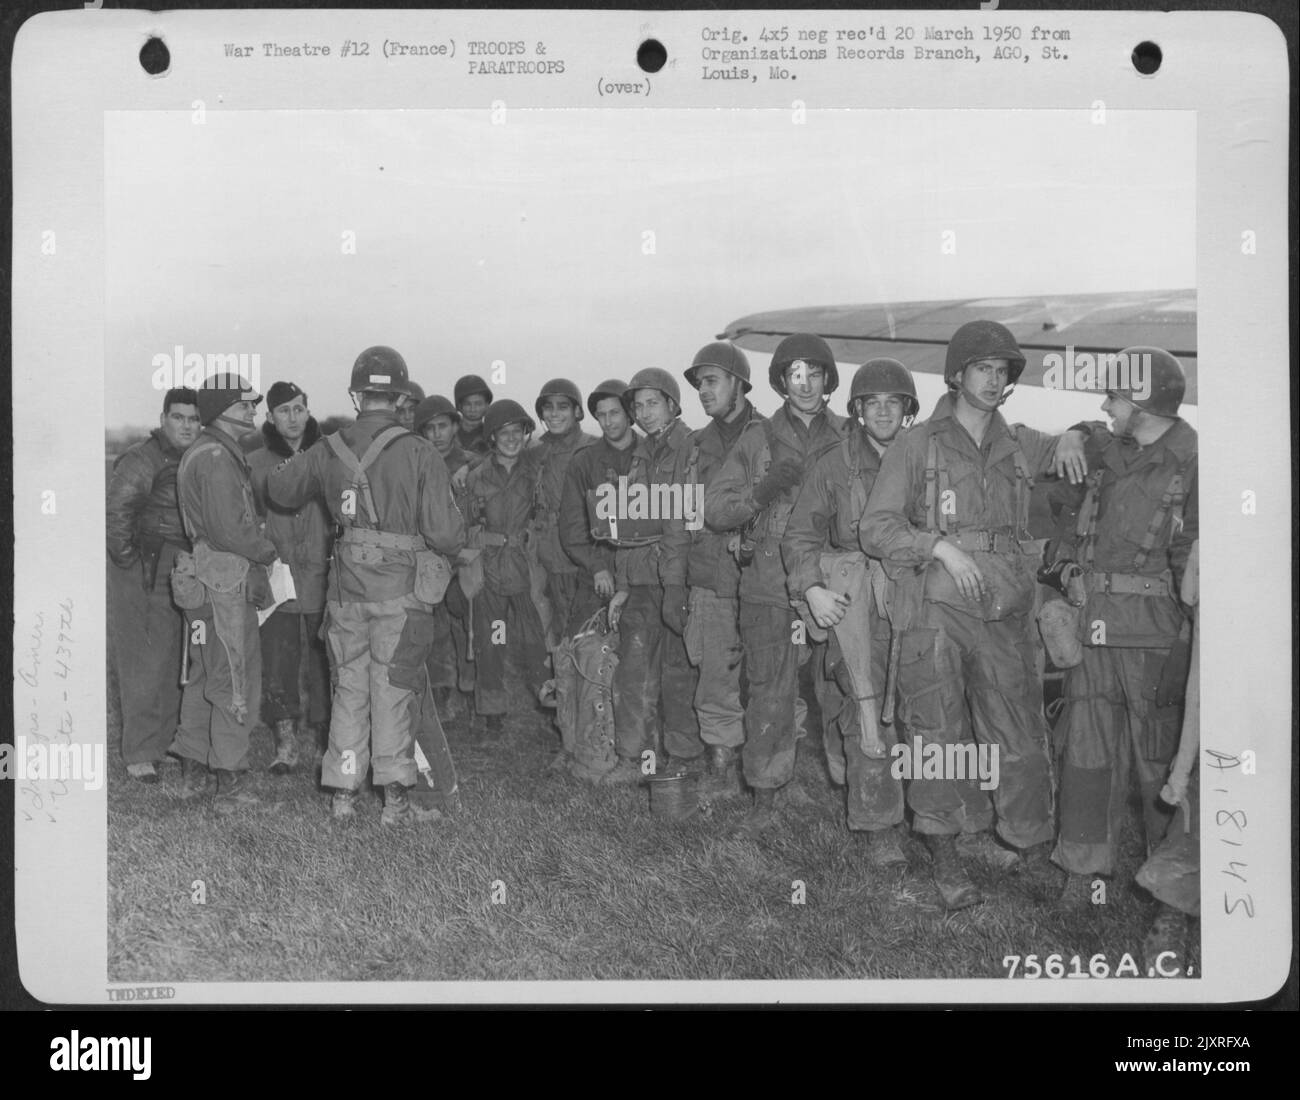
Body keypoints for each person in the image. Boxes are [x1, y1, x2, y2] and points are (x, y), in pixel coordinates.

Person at [858, 320, 1088, 908]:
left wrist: (1079, 433)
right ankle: (944, 856)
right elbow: (876, 527)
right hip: (936, 610)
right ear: (957, 375)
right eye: (983, 368)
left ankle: (1029, 845)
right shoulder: (918, 445)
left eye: (1003, 371)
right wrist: (938, 545)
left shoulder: (1023, 443)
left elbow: (1101, 440)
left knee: (1019, 731)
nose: (994, 379)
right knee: (936, 733)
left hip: (1006, 607)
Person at [268, 347, 465, 823]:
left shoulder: (327, 448)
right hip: (401, 595)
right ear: (400, 396)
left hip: (344, 595)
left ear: (356, 395)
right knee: (394, 691)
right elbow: (446, 533)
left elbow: (280, 489)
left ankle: (342, 796)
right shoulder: (419, 451)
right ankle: (396, 802)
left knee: (349, 692)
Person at [1047, 348, 1198, 906]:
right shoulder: (1113, 446)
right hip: (1096, 628)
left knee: (1159, 762)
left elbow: (1197, 562)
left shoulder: (1194, 460)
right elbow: (1087, 434)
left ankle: (1172, 886)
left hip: (1157, 636)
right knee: (1085, 751)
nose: (1104, 406)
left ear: (1138, 403)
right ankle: (1083, 870)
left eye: (1113, 397)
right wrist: (1071, 430)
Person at [704, 334, 850, 834]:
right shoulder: (757, 438)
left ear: (828, 380)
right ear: (782, 382)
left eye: (814, 372)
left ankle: (855, 790)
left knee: (844, 686)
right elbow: (716, 509)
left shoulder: (849, 435)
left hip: (833, 580)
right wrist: (761, 492)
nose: (805, 382)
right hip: (768, 582)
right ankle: (766, 795)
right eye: (794, 373)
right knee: (770, 690)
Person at [782, 360, 918, 865]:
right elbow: (799, 537)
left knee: (926, 706)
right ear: (857, 410)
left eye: (894, 402)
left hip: (911, 595)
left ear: (907, 410)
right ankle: (879, 826)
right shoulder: (834, 465)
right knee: (863, 700)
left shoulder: (923, 456)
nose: (883, 412)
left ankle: (938, 821)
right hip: (853, 599)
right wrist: (812, 588)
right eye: (872, 403)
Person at [660, 342, 763, 801]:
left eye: (712, 380)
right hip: (708, 576)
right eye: (699, 383)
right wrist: (674, 583)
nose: (703, 391)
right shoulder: (696, 447)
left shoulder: (771, 437)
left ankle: (772, 773)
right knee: (715, 678)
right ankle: (723, 768)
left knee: (772, 677)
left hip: (764, 578)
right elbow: (680, 518)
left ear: (739, 384)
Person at [171, 375, 279, 810]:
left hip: (203, 576)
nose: (254, 409)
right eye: (245, 403)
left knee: (203, 676)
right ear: (222, 410)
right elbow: (229, 529)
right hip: (223, 580)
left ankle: (192, 770)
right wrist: (268, 549)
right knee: (234, 678)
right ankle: (230, 786)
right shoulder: (217, 457)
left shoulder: (204, 451)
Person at [593, 368, 703, 783]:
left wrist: (676, 585)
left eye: (652, 403)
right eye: (637, 406)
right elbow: (628, 529)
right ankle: (633, 759)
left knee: (679, 675)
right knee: (632, 673)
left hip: (680, 579)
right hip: (640, 581)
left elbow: (686, 518)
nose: (644, 412)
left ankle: (684, 758)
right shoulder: (640, 455)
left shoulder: (690, 448)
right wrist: (621, 586)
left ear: (673, 405)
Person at [106, 387, 199, 782]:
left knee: (172, 657)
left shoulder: (193, 456)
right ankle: (140, 752)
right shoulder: (144, 457)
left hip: (180, 562)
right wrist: (131, 560)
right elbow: (117, 512)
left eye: (194, 418)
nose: (187, 425)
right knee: (142, 658)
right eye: (178, 417)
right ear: (163, 419)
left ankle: (163, 743)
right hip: (147, 562)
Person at [247, 381, 332, 774]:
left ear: (308, 409)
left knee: (325, 656)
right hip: (277, 574)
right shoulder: (255, 462)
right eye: (284, 411)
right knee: (278, 658)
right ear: (270, 417)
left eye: (299, 408)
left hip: (322, 571)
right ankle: (286, 741)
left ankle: (327, 736)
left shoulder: (328, 455)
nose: (293, 418)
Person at [557, 378, 636, 775]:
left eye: (615, 413)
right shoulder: (585, 462)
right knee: (581, 654)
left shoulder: (651, 454)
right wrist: (597, 566)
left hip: (644, 571)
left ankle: (633, 748)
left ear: (630, 413)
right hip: (597, 572)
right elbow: (571, 530)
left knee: (637, 662)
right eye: (600, 415)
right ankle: (583, 747)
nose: (607, 422)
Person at [461, 399, 553, 737]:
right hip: (489, 571)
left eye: (518, 432)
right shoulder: (475, 478)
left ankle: (552, 704)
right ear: (492, 437)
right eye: (504, 433)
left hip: (526, 569)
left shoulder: (535, 473)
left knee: (536, 640)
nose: (512, 439)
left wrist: (535, 538)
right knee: (491, 642)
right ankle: (492, 713)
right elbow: (466, 521)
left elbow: (544, 514)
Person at [413, 394, 478, 710]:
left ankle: (470, 690)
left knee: (467, 628)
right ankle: (440, 690)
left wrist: (471, 469)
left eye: (443, 426)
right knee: (435, 628)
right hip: (432, 556)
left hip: (466, 558)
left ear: (455, 426)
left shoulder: (473, 462)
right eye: (429, 428)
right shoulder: (416, 463)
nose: (437, 434)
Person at [529, 378, 599, 641]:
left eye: (563, 407)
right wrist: (466, 466)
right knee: (553, 631)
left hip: (582, 555)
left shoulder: (592, 448)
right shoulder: (535, 450)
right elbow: (497, 459)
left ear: (577, 412)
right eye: (548, 408)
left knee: (585, 633)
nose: (554, 414)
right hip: (545, 558)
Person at [453, 374, 494, 456]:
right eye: (468, 404)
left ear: (487, 405)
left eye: (478, 404)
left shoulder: (492, 436)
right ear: (459, 406)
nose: (473, 409)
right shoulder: (448, 433)